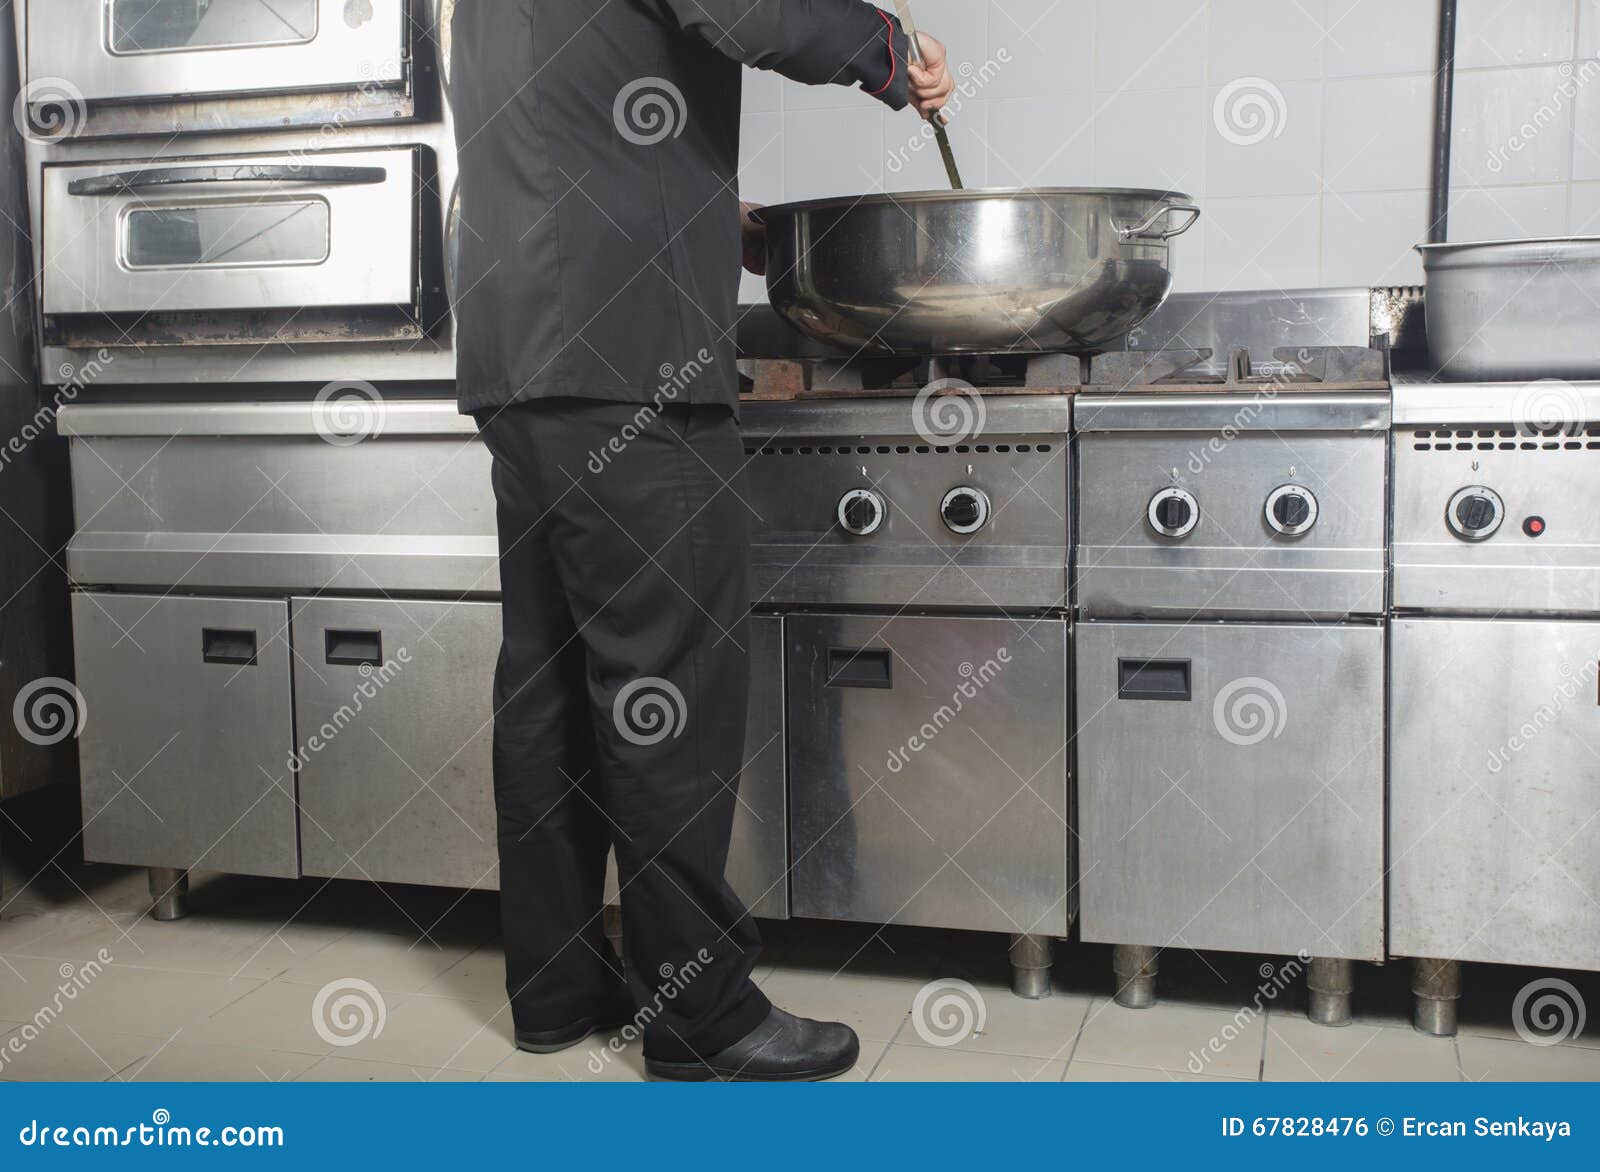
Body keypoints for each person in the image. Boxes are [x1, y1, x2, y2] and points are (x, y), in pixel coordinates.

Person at [450, 1, 955, 1083]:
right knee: (665, 684)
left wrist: (698, 215)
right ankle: (699, 1011)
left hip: (522, 351)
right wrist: (884, 47)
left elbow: (560, 118)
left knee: (548, 681)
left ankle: (556, 985)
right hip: (626, 354)